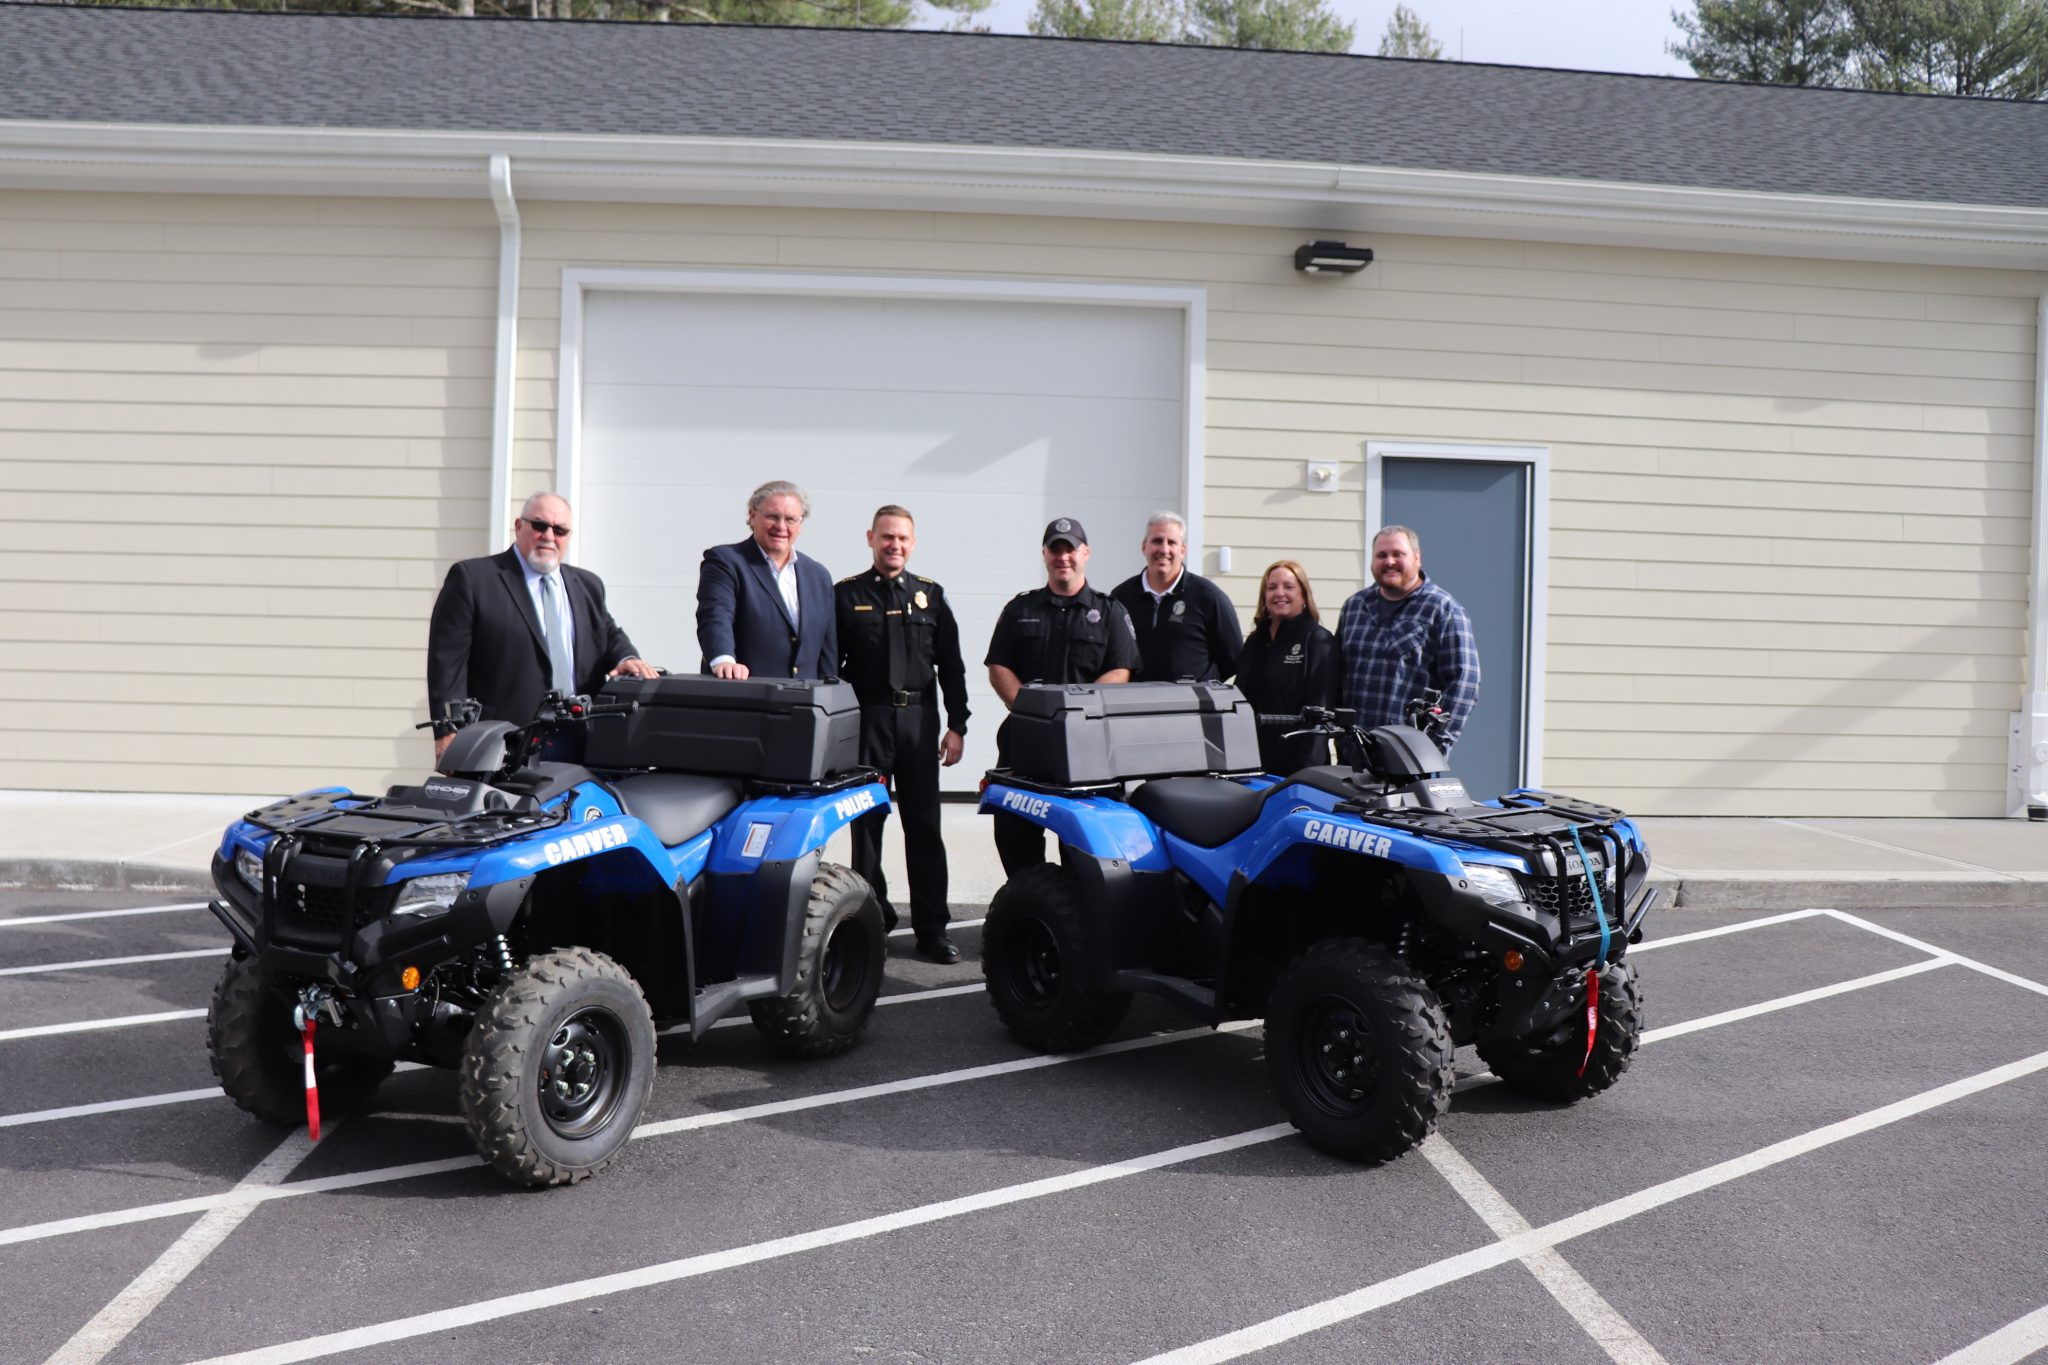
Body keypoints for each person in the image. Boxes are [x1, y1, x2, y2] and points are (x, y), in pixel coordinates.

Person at [426, 491, 659, 759]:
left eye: (560, 530)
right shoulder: (474, 579)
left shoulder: (588, 586)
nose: (549, 536)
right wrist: (448, 731)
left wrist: (627, 657)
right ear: (518, 526)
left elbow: (608, 633)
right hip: (502, 744)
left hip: (580, 742)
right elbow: (447, 664)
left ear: (568, 537)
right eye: (540, 525)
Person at [835, 505, 971, 964]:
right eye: (887, 537)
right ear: (871, 537)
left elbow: (951, 665)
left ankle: (931, 929)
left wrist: (958, 725)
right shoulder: (845, 595)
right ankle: (872, 920)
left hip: (918, 722)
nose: (895, 545)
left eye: (903, 539)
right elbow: (829, 669)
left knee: (925, 827)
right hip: (868, 722)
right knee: (867, 826)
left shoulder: (931, 597)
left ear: (913, 544)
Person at [984, 517, 1141, 871]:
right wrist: (1030, 709)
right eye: (1055, 549)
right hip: (1025, 743)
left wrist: (1075, 717)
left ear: (1085, 553)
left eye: (1070, 549)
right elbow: (998, 666)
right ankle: (1027, 909)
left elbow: (1121, 671)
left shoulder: (1111, 612)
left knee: (1083, 844)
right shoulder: (1020, 609)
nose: (1063, 557)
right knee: (1016, 833)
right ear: (1044, 555)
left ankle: (1080, 917)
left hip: (1088, 747)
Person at [1336, 525, 1479, 750]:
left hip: (1408, 757)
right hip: (1354, 752)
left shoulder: (1442, 610)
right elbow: (1338, 675)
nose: (1389, 561)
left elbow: (1464, 683)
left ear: (1417, 558)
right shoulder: (1355, 607)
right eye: (1381, 555)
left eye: (1397, 554)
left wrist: (1434, 744)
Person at [696, 480, 836, 680]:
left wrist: (830, 698)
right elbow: (715, 615)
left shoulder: (818, 576)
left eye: (790, 519)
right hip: (747, 697)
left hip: (805, 703)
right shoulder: (726, 562)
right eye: (772, 516)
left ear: (800, 524)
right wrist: (723, 660)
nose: (781, 526)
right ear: (752, 515)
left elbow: (827, 650)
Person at [1110, 511, 1243, 683]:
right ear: (1144, 546)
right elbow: (1112, 656)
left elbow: (1235, 657)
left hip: (1192, 707)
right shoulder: (1121, 597)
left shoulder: (1209, 597)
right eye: (1157, 541)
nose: (1164, 549)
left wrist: (1204, 685)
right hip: (1136, 705)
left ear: (1182, 550)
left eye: (1171, 542)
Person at [1235, 560, 1339, 774]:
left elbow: (1319, 716)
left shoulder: (1318, 642)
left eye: (1288, 587)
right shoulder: (1255, 641)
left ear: (1303, 595)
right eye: (1272, 587)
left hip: (1298, 768)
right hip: (1252, 765)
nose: (1279, 593)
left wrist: (1307, 775)